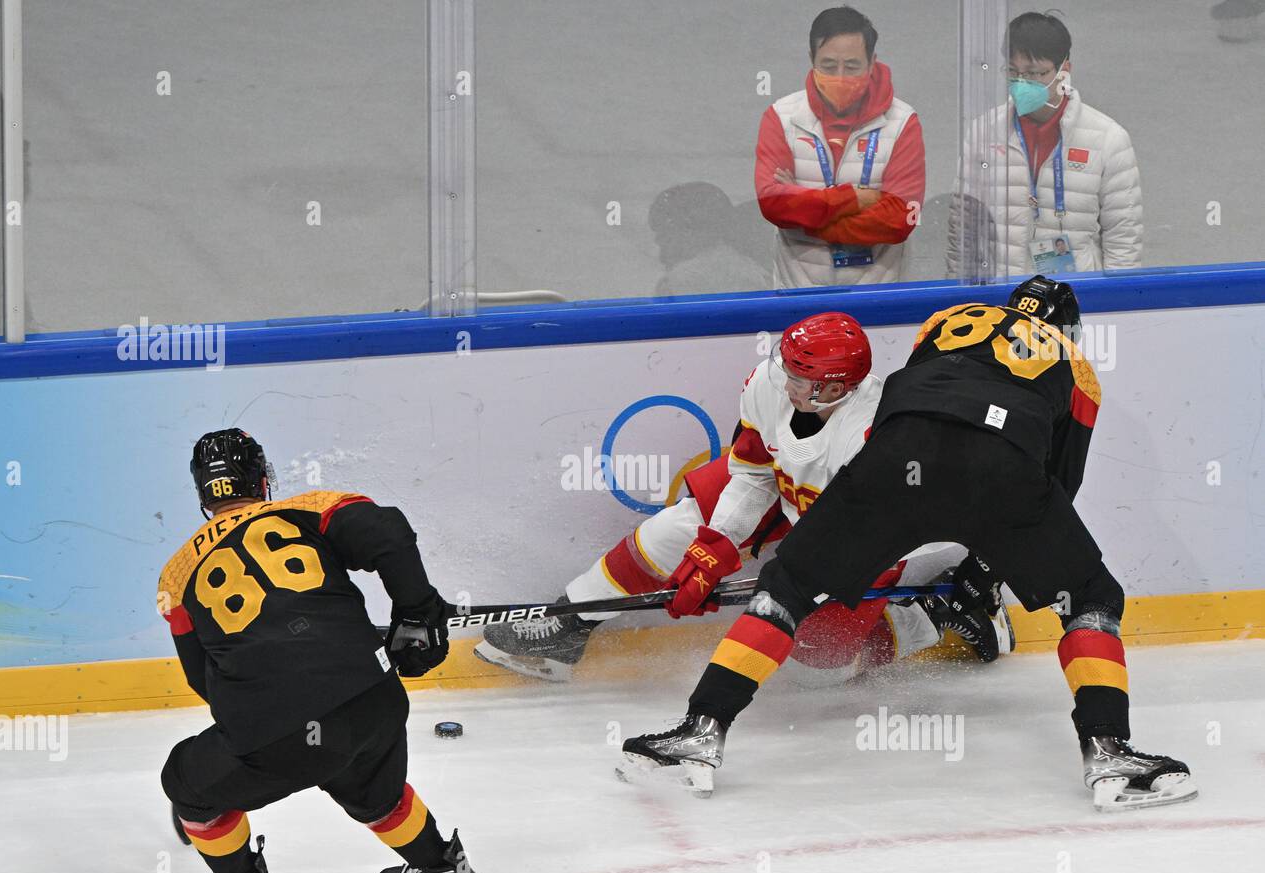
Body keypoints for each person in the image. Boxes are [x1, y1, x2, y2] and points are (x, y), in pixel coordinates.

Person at [618, 277, 1197, 812]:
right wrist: (991, 567)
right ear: (1068, 331)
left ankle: (700, 730)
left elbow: (918, 399)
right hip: (1002, 470)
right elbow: (1058, 483)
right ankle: (1108, 749)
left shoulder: (949, 318)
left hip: (898, 456)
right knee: (1093, 598)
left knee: (786, 588)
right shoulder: (1075, 364)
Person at [474, 313, 1012, 689]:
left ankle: (931, 616)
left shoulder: (875, 439)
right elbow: (754, 473)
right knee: (673, 533)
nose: (784, 378)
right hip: (790, 492)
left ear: (833, 390)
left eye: (799, 376)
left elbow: (876, 535)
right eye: (786, 364)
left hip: (864, 537)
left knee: (813, 668)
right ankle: (568, 629)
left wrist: (793, 584)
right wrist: (716, 548)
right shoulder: (770, 385)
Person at [157, 429, 484, 873]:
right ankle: (443, 870)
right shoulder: (308, 507)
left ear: (204, 493)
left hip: (275, 731)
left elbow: (204, 680)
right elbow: (389, 534)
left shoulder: (176, 574)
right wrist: (417, 615)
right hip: (372, 697)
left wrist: (276, 710)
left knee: (183, 780)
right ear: (263, 479)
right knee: (377, 790)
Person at [946, 12, 1142, 278]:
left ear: (1064, 71)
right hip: (1000, 299)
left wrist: (1114, 303)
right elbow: (964, 231)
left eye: (1036, 73)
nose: (1022, 83)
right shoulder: (983, 132)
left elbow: (1123, 239)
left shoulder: (1108, 140)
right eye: (1014, 72)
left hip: (1071, 299)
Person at [755, 6, 926, 287]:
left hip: (879, 293)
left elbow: (900, 219)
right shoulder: (781, 117)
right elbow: (774, 204)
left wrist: (807, 211)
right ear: (812, 60)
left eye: (852, 66)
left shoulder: (903, 121)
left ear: (872, 62)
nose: (841, 76)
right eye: (829, 66)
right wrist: (854, 199)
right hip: (800, 293)